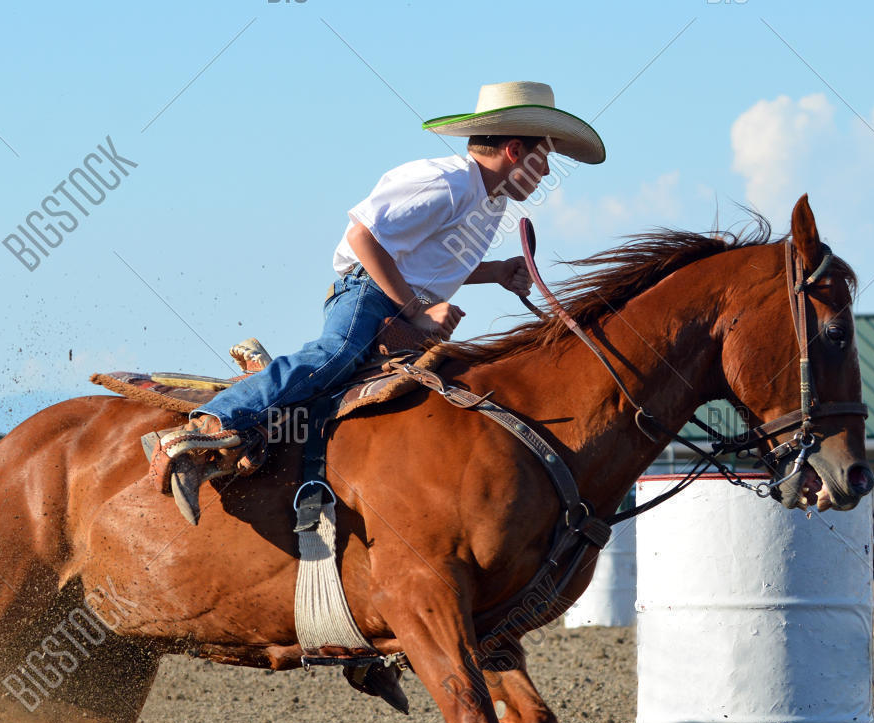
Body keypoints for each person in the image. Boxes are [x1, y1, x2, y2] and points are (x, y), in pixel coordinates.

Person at [144, 81, 606, 525]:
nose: (547, 172)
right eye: (544, 159)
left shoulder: (489, 202)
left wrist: (496, 272)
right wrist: (417, 310)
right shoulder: (446, 183)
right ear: (514, 152)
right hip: (369, 295)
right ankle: (205, 427)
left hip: (400, 309)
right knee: (334, 355)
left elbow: (434, 262)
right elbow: (362, 236)